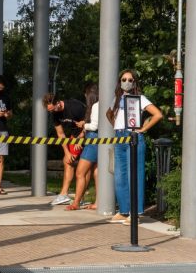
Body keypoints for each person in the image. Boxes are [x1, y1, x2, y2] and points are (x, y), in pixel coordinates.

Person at [106, 69, 164, 223]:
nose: (127, 82)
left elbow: (158, 114)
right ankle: (124, 211)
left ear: (134, 82)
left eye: (130, 80)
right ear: (120, 82)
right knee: (120, 176)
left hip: (134, 138)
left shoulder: (140, 98)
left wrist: (143, 129)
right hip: (119, 138)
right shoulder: (117, 99)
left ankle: (135, 213)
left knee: (134, 176)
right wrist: (117, 126)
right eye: (124, 79)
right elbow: (108, 114)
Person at [44, 92, 87, 205]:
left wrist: (81, 138)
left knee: (86, 168)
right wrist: (67, 152)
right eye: (50, 111)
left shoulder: (75, 106)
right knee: (68, 160)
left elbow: (90, 121)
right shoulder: (55, 114)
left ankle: (76, 197)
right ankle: (65, 195)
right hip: (75, 136)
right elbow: (61, 134)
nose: (52, 112)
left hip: (88, 135)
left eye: (53, 109)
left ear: (58, 103)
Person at [68, 83, 101, 211]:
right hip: (99, 140)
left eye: (86, 94)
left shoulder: (96, 106)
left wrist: (83, 125)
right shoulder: (103, 104)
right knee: (96, 172)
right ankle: (98, 202)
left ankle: (76, 202)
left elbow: (93, 126)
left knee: (80, 172)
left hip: (93, 140)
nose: (85, 96)